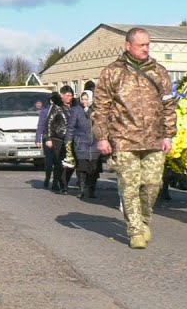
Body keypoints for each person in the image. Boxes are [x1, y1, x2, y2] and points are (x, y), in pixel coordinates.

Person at [93, 28, 177, 250]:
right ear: (128, 46)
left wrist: (169, 133)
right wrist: (102, 137)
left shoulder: (159, 72)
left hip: (154, 138)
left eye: (148, 44)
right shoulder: (112, 72)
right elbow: (101, 107)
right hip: (124, 138)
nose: (146, 48)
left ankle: (144, 220)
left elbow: (169, 104)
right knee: (129, 187)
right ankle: (135, 231)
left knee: (152, 184)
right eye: (141, 45)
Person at [67, 89, 102, 199]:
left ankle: (92, 190)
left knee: (94, 168)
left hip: (95, 143)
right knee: (82, 167)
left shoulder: (98, 110)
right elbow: (71, 127)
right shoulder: (76, 110)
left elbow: (103, 124)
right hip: (81, 142)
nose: (83, 101)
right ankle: (82, 189)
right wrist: (68, 141)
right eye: (82, 99)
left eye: (86, 99)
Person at [46, 87, 75, 193]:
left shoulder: (74, 107)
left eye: (71, 95)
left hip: (71, 138)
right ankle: (59, 184)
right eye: (67, 95)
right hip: (58, 138)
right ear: (62, 96)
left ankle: (64, 182)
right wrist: (48, 138)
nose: (69, 97)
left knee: (71, 163)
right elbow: (49, 123)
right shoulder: (57, 107)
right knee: (60, 162)